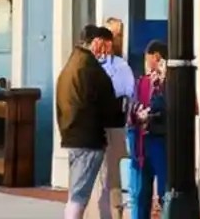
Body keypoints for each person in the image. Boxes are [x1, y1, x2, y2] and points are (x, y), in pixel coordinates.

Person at [56, 25, 119, 219]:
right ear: (97, 42)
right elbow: (110, 106)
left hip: (72, 135)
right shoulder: (91, 69)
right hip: (88, 139)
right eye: (108, 46)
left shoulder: (70, 66)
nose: (108, 53)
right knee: (79, 196)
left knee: (76, 192)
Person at [90, 23, 134, 219]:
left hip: (114, 126)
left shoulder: (121, 67)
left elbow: (130, 95)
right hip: (92, 127)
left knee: (113, 176)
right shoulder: (87, 66)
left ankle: (115, 214)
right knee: (95, 176)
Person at [129, 41, 169, 219]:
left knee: (164, 192)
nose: (147, 64)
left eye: (148, 59)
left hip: (161, 140)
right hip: (142, 142)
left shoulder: (170, 83)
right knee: (141, 193)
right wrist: (138, 113)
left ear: (157, 57)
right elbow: (133, 105)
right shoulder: (142, 82)